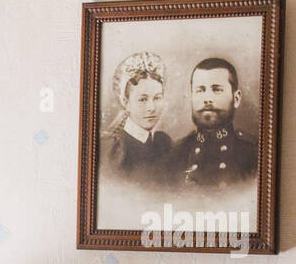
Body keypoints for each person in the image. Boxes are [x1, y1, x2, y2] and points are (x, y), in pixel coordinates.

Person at [173, 57, 258, 187]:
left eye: (217, 89)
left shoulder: (254, 153)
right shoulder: (175, 153)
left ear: (236, 98)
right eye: (200, 90)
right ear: (191, 97)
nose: (207, 99)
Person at [101, 52, 172, 186]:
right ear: (125, 101)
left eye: (157, 98)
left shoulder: (163, 143)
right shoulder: (115, 149)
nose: (151, 107)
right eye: (142, 99)